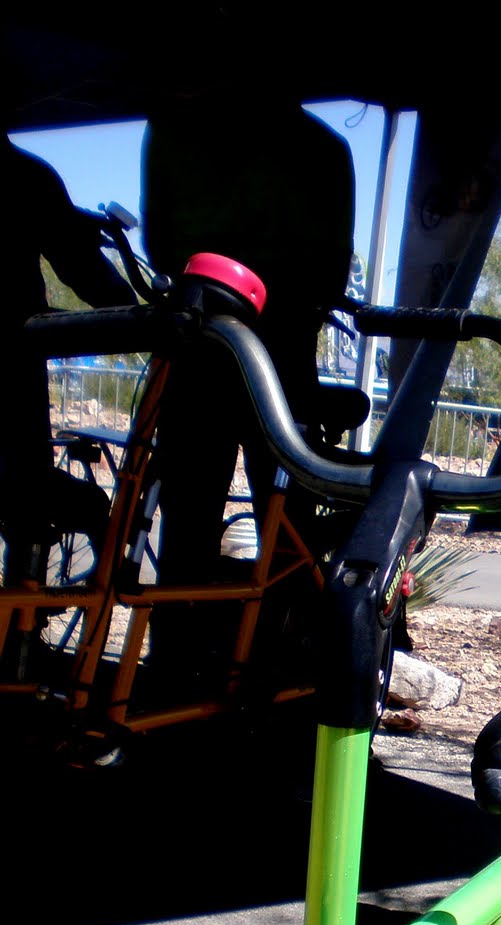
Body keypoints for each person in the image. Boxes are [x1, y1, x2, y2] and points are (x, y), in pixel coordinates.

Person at [139, 97, 355, 681]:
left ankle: (174, 666)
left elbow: (161, 244)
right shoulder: (326, 150)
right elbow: (331, 273)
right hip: (276, 352)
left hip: (202, 340)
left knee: (189, 514)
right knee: (285, 514)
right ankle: (287, 663)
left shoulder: (174, 127)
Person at [0, 135, 135, 596]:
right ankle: (24, 632)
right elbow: (85, 271)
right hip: (12, 379)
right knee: (54, 500)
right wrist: (132, 311)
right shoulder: (25, 175)